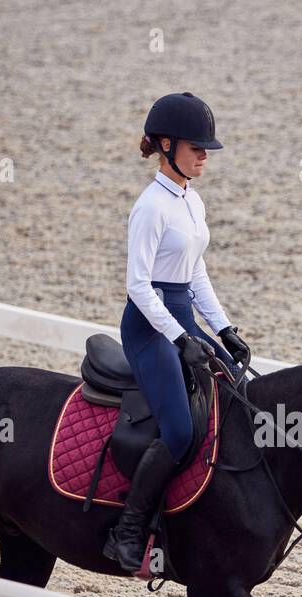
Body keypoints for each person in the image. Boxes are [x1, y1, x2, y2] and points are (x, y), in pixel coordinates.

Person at [103, 91, 252, 572]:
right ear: (166, 145)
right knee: (180, 428)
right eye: (196, 146)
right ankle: (128, 531)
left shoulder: (191, 200)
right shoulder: (151, 207)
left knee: (239, 389)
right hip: (149, 327)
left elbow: (195, 273)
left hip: (182, 316)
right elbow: (138, 286)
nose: (205, 154)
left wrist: (223, 329)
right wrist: (180, 339)